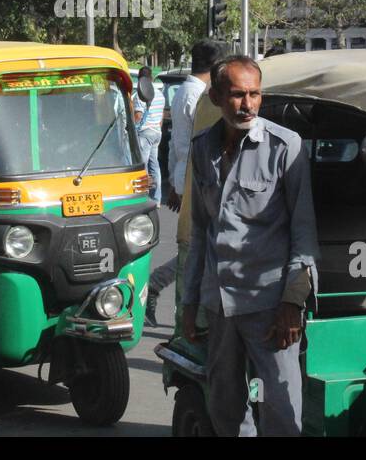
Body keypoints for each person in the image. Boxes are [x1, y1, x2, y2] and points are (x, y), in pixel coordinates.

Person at [180, 56, 318, 436]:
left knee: (282, 410)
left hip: (269, 304)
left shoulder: (285, 146)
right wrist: (189, 303)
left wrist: (293, 301)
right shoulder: (202, 147)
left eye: (255, 94)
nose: (248, 105)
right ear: (216, 97)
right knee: (224, 406)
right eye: (238, 95)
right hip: (220, 304)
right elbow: (200, 229)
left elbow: (304, 232)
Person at [145, 39, 225, 328]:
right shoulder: (200, 96)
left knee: (193, 250)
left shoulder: (184, 91)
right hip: (194, 178)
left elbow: (175, 142)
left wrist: (172, 179)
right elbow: (197, 147)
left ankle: (163, 291)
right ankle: (185, 316)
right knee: (194, 250)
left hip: (185, 176)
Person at [133, 67, 165, 204]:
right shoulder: (160, 94)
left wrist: (131, 128)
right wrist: (157, 128)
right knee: (155, 165)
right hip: (157, 132)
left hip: (145, 133)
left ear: (140, 79)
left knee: (143, 165)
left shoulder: (139, 95)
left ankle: (144, 198)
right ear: (151, 78)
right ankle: (157, 199)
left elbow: (138, 117)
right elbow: (161, 116)